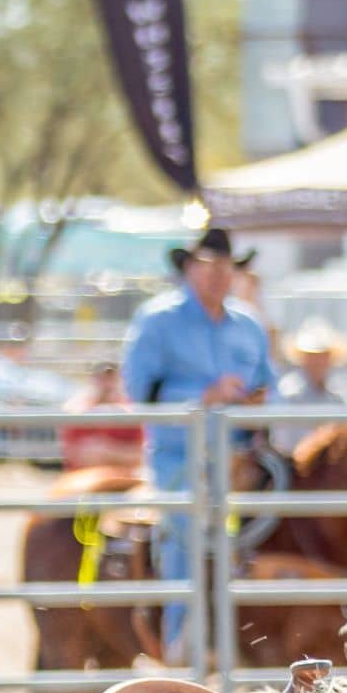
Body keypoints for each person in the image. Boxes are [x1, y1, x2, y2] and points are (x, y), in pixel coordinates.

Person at [119, 226, 272, 663]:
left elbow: (269, 386)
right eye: (208, 266)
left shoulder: (249, 325)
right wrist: (202, 399)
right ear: (189, 268)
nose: (217, 275)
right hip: (178, 454)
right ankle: (180, 644)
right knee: (186, 528)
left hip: (242, 457)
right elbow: (137, 394)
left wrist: (257, 400)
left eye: (225, 267)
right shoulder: (157, 321)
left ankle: (264, 637)